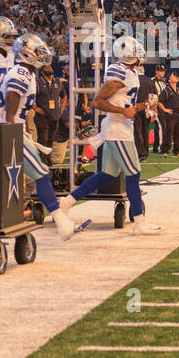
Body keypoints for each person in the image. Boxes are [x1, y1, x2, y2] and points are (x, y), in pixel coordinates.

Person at [57, 35, 164, 235]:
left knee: (108, 174)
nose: (140, 55)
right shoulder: (118, 71)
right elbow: (98, 102)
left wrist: (146, 105)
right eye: (135, 51)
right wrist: (124, 112)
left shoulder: (131, 72)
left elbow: (126, 104)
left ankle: (66, 202)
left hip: (121, 128)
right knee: (133, 173)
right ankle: (140, 223)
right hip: (117, 130)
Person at [0, 33, 88, 240]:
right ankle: (62, 223)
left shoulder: (27, 73)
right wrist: (12, 130)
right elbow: (11, 101)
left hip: (13, 129)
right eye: (37, 52)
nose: (42, 56)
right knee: (40, 173)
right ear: (28, 53)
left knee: (28, 175)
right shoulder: (21, 72)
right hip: (8, 131)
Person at [32, 62, 63, 155]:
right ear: (41, 72)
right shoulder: (37, 82)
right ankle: (42, 161)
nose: (49, 67)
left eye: (50, 66)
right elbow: (30, 96)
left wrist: (61, 109)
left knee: (51, 140)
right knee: (43, 140)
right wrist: (36, 108)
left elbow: (64, 96)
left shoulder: (57, 81)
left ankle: (48, 159)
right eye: (46, 67)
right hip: (43, 116)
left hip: (54, 115)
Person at [158, 70, 179, 156]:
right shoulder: (166, 90)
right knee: (169, 133)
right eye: (173, 76)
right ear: (169, 80)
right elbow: (159, 101)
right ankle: (165, 151)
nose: (175, 77)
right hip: (171, 115)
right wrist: (165, 109)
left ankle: (177, 152)